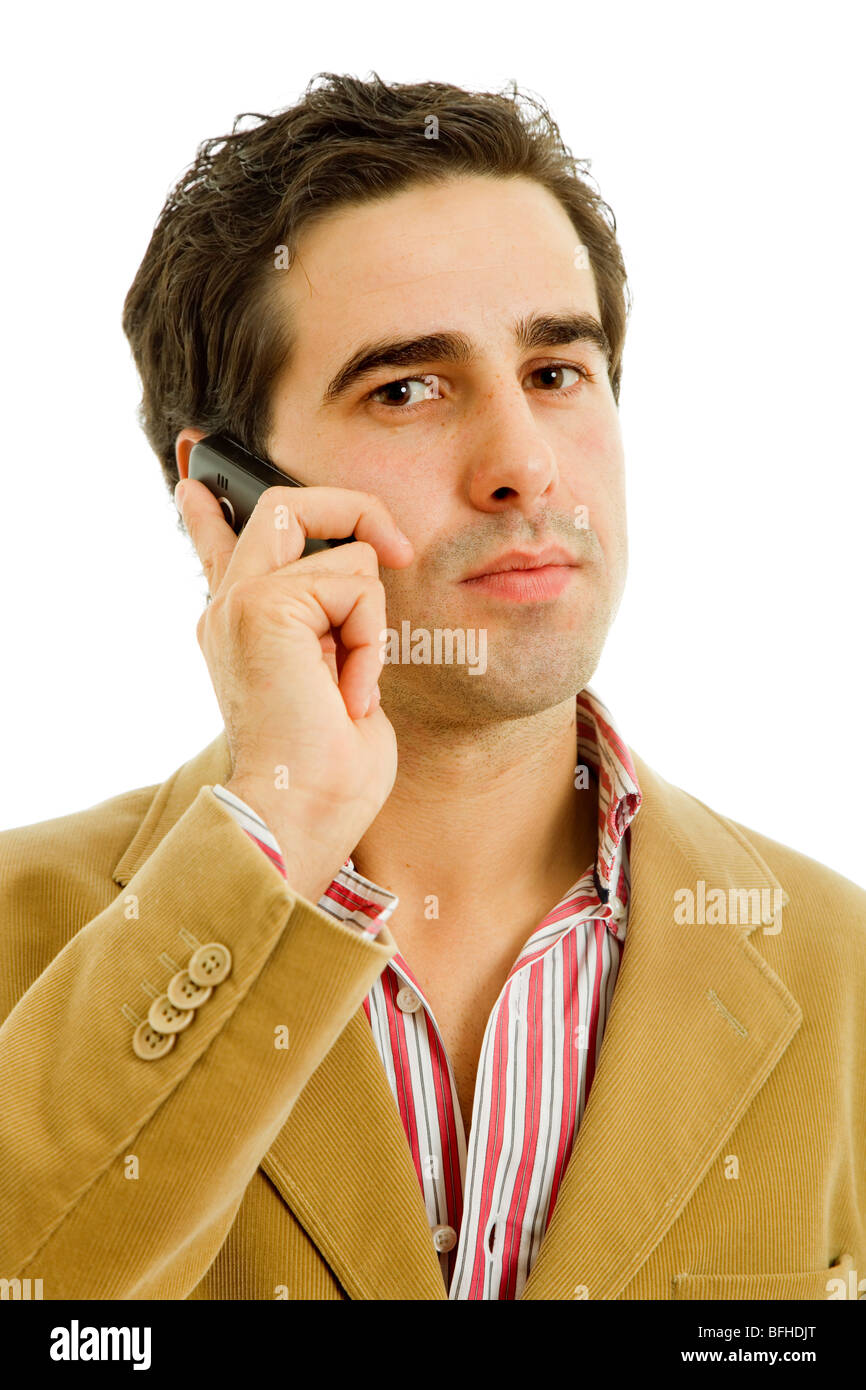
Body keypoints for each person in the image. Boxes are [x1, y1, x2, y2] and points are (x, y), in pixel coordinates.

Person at [1, 74, 863, 1303]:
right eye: (406, 387)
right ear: (230, 495)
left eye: (557, 371)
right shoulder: (19, 931)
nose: (522, 463)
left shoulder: (839, 967)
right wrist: (280, 824)